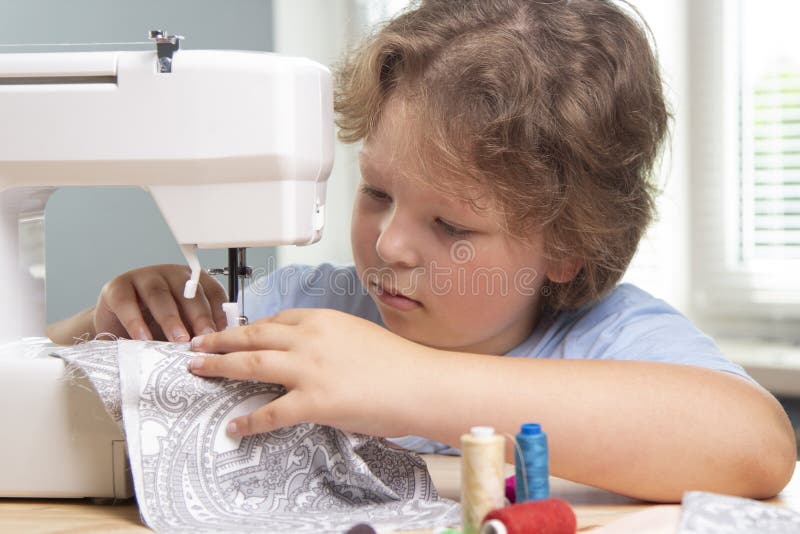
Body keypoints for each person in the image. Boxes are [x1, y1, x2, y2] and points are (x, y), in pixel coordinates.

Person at [48, 0, 796, 502]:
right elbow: (39, 371)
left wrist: (414, 384)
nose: (389, 242)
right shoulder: (307, 309)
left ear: (566, 246)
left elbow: (756, 448)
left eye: (452, 227)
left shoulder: (610, 339)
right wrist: (105, 321)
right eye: (377, 192)